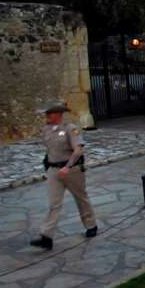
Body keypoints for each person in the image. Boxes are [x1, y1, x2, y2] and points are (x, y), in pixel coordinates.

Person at [29, 102, 97, 249]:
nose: (46, 116)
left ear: (58, 114)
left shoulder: (70, 128)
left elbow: (78, 150)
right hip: (54, 171)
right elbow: (49, 150)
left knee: (81, 198)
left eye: (49, 113)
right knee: (53, 204)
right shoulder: (46, 130)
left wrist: (68, 166)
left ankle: (91, 225)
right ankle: (46, 236)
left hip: (72, 170)